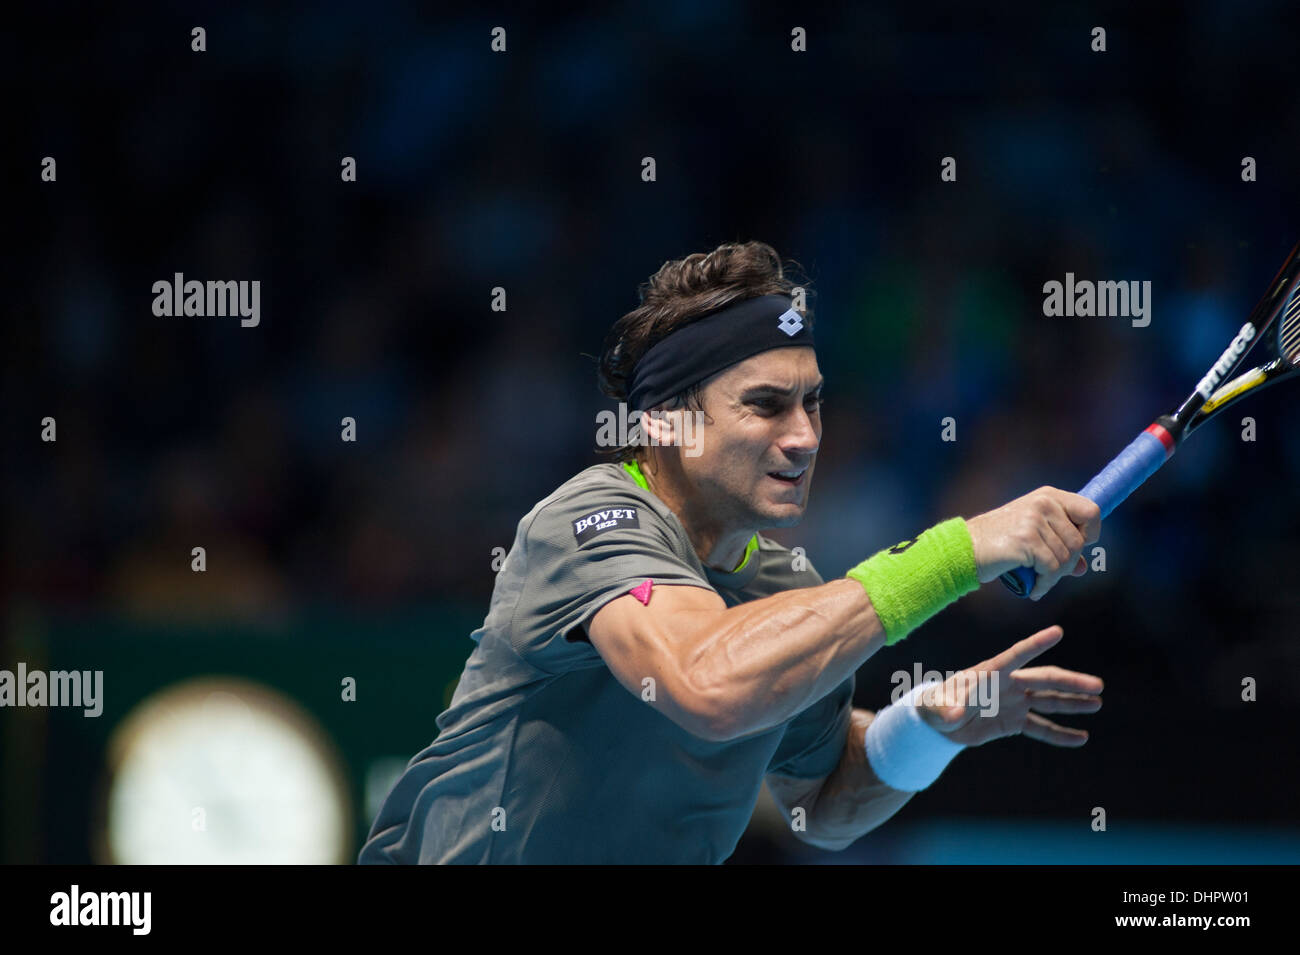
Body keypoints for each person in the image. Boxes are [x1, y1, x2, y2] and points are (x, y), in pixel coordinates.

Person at [358, 240, 1104, 864]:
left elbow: (823, 805)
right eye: (765, 404)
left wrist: (924, 728)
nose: (806, 435)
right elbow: (707, 684)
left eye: (812, 400)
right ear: (669, 423)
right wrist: (957, 550)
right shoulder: (591, 519)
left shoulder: (784, 586)